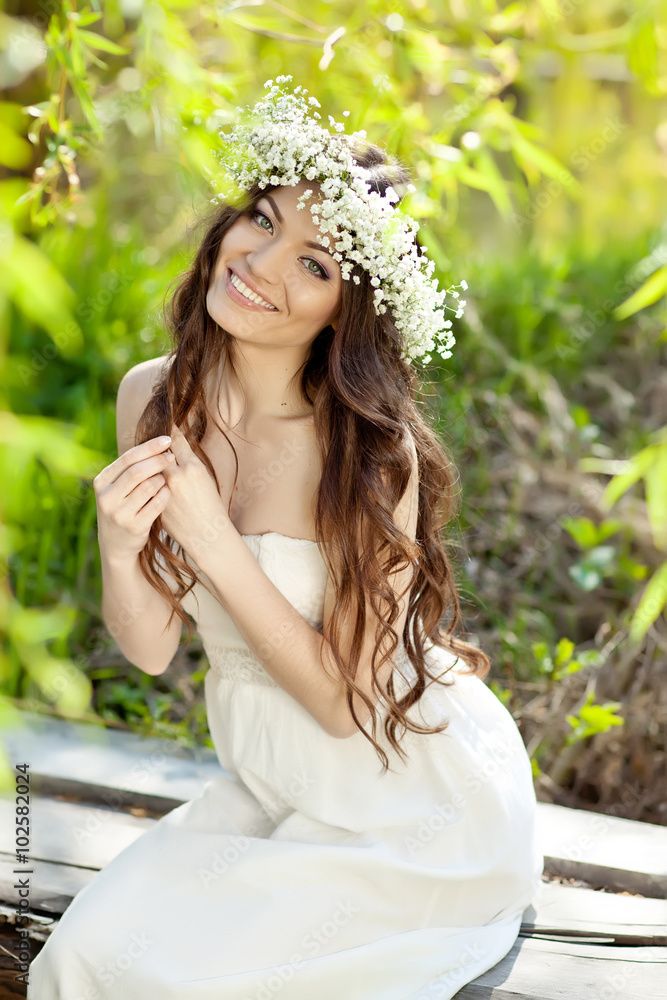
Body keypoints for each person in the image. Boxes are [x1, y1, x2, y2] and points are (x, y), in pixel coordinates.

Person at [28, 77, 543, 999]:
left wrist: (212, 542)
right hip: (265, 785)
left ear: (346, 310)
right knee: (82, 962)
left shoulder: (370, 455)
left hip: (401, 798)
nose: (261, 264)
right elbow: (149, 650)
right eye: (261, 219)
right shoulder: (153, 396)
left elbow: (347, 707)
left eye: (313, 263)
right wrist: (117, 543)